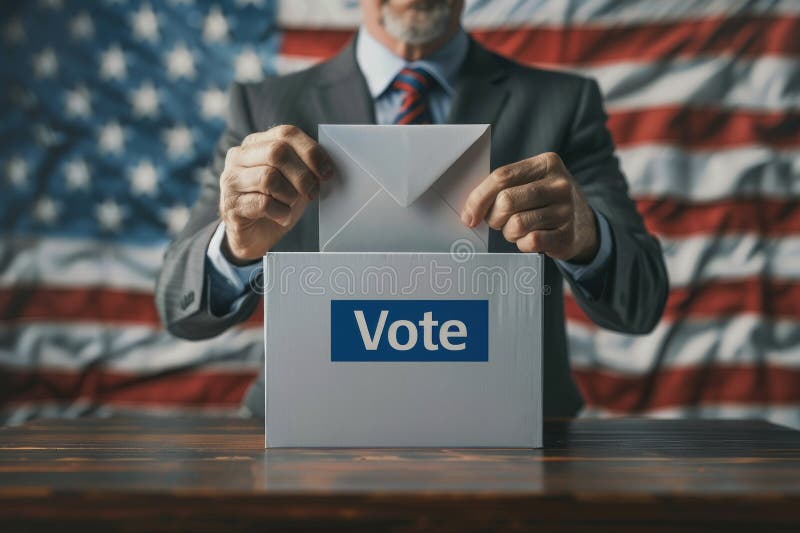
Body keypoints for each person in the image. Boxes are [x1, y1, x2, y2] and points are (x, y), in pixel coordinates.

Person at [156, 0, 668, 417]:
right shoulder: (264, 107)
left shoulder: (562, 104)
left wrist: (588, 238)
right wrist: (235, 248)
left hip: (512, 430)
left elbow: (641, 303)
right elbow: (179, 308)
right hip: (309, 424)